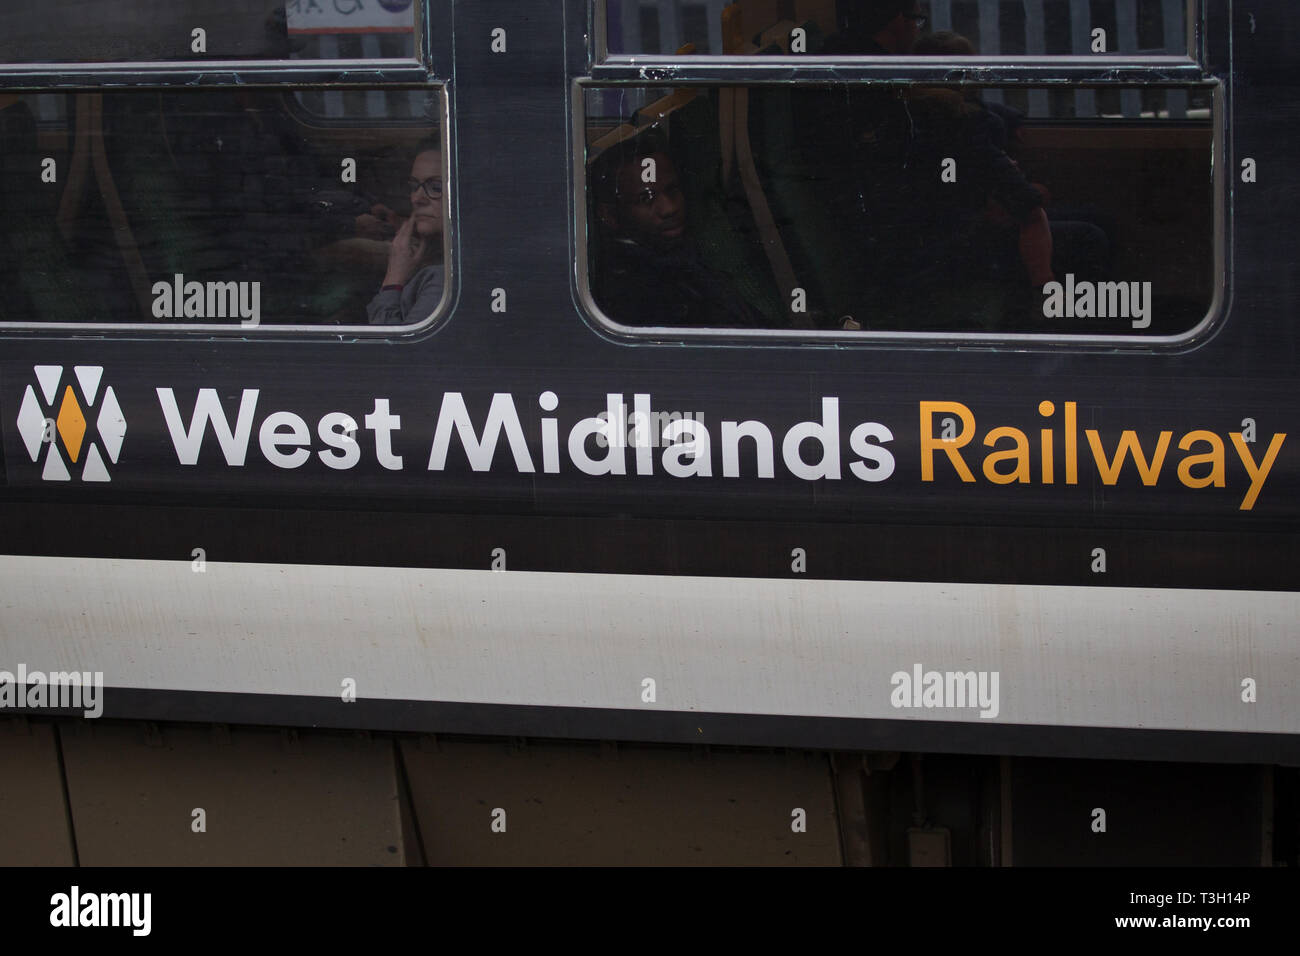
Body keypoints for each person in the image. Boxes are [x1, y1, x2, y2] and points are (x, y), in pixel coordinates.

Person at [589, 129, 769, 328]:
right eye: (645, 199)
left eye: (672, 190)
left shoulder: (681, 259)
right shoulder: (634, 292)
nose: (670, 208)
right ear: (610, 215)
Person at [366, 139, 445, 326]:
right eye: (414, 186)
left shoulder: (442, 279)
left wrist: (393, 280)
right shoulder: (431, 260)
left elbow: (392, 351)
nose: (417, 198)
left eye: (436, 188)